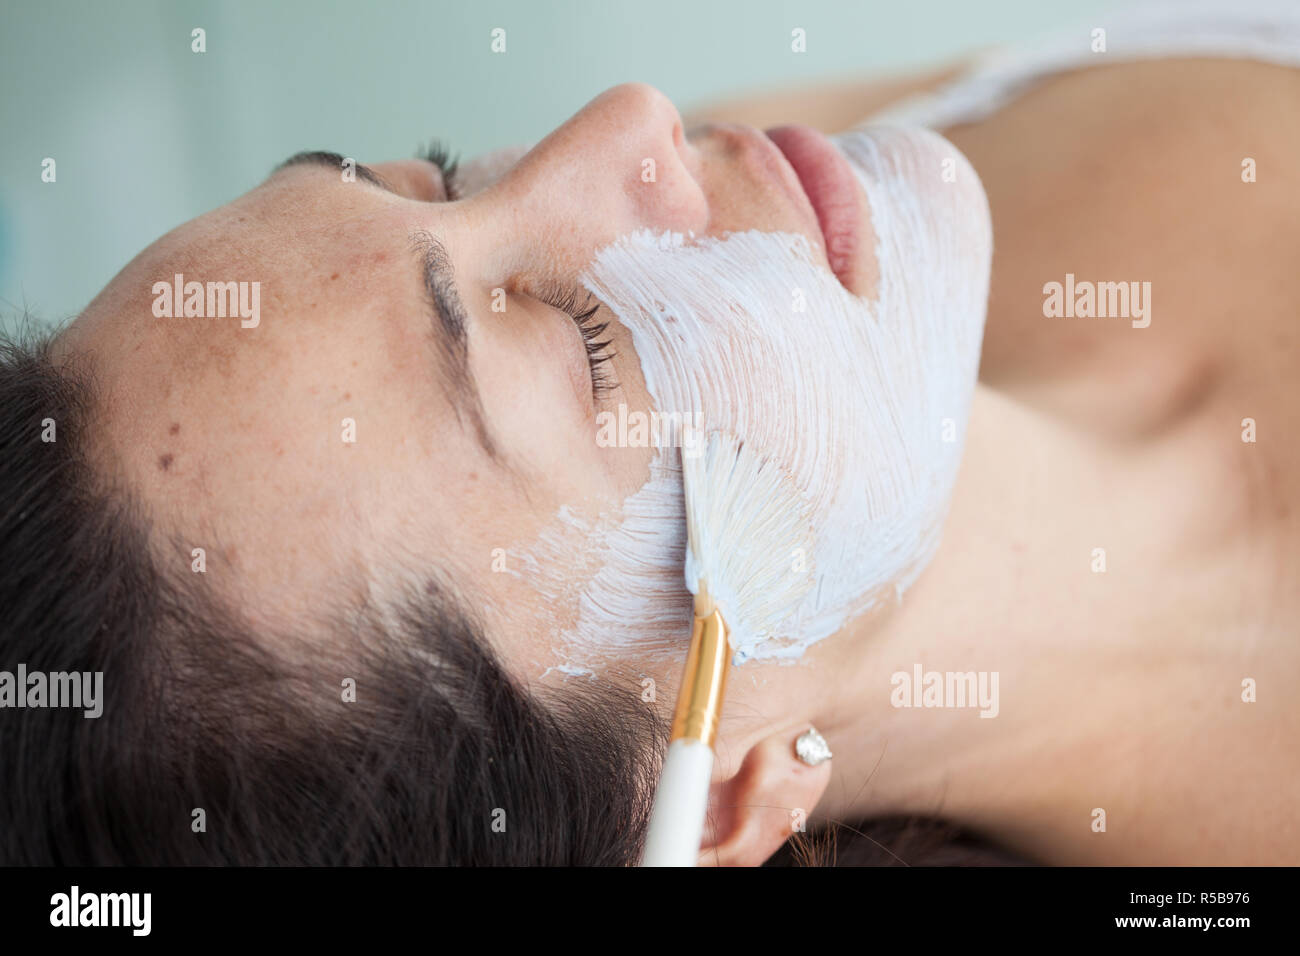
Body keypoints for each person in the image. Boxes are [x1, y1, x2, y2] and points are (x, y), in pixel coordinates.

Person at [2, 3, 1297, 866]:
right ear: (717, 796)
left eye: (445, 175)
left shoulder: (829, 196)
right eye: (576, 337)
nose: (630, 122)